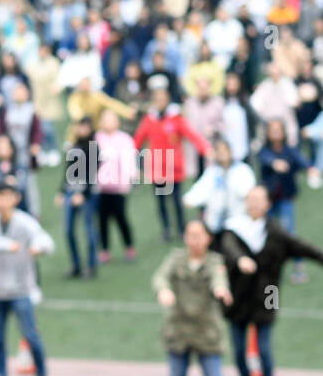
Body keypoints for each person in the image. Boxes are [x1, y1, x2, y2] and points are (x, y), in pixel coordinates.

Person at [221, 186, 323, 376]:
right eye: (251, 199)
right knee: (239, 351)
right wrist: (240, 260)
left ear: (268, 204)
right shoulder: (234, 229)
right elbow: (229, 248)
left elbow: (304, 248)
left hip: (269, 294)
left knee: (265, 350)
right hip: (239, 295)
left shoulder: (276, 232)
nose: (255, 204)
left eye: (259, 200)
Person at [0, 180, 55, 376]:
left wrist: (39, 247)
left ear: (16, 198)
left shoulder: (25, 222)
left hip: (21, 291)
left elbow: (47, 241)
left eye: (7, 196)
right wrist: (6, 245)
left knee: (31, 336)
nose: (2, 201)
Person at [151, 219, 233, 376]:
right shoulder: (176, 258)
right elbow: (160, 277)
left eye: (198, 236)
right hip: (178, 329)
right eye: (190, 235)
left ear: (208, 238)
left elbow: (218, 279)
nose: (193, 240)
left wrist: (221, 290)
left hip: (206, 331)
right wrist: (163, 291)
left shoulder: (215, 261)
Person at [134, 84, 211, 243]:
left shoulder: (176, 118)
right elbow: (138, 139)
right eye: (158, 99)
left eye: (163, 99)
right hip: (157, 168)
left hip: (173, 167)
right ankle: (166, 229)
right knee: (161, 201)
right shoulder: (150, 119)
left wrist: (205, 148)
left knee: (177, 201)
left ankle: (181, 229)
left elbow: (191, 135)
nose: (161, 102)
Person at [256, 118, 310, 283]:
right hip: (269, 202)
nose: (276, 133)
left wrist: (311, 168)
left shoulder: (290, 151)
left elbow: (302, 161)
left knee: (289, 232)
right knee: (264, 233)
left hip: (286, 199)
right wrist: (274, 163)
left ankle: (299, 268)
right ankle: (263, 266)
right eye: (273, 130)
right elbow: (265, 159)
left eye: (278, 130)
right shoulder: (264, 151)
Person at [182, 136, 254, 236]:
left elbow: (248, 192)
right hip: (215, 224)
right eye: (219, 150)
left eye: (224, 150)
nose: (222, 153)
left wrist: (229, 181)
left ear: (230, 151)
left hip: (237, 221)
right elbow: (201, 189)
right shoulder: (212, 172)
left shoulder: (243, 170)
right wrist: (190, 199)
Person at [94, 109, 138, 263]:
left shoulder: (124, 139)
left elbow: (129, 162)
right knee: (102, 220)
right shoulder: (97, 138)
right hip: (100, 188)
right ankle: (105, 250)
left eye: (111, 119)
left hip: (118, 187)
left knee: (120, 217)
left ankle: (129, 246)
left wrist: (127, 181)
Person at [57, 117, 98, 278]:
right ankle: (76, 264)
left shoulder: (93, 148)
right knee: (68, 230)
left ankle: (91, 266)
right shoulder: (74, 147)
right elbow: (68, 171)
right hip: (70, 192)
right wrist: (61, 191)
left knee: (89, 230)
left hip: (87, 195)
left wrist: (82, 194)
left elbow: (92, 174)